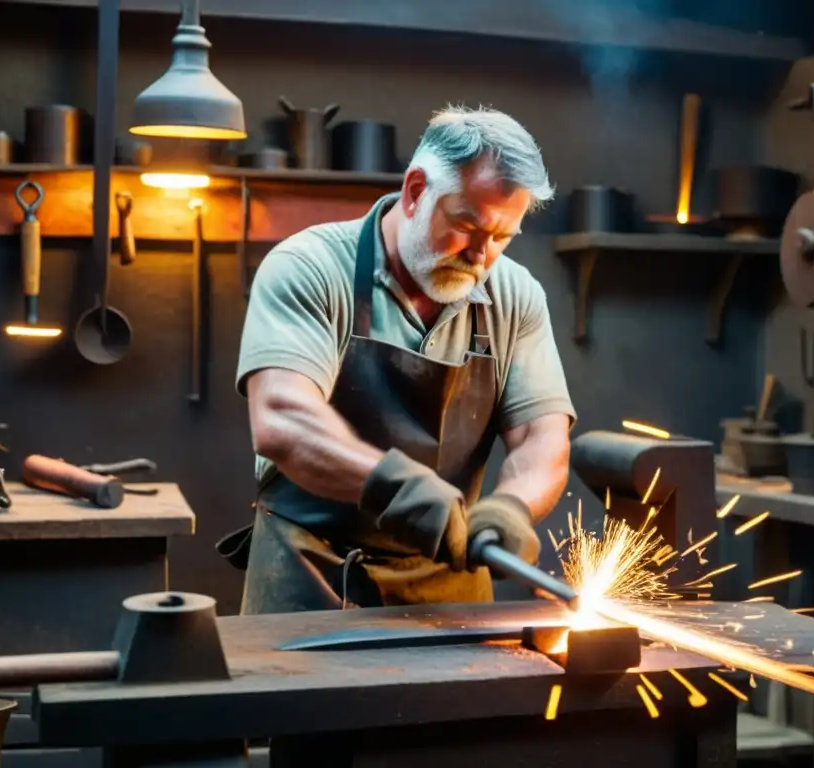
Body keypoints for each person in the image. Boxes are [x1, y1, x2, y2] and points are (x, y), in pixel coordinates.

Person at [218, 106, 577, 614]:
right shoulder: (311, 267)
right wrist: (398, 488)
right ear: (414, 191)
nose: (480, 254)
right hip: (311, 578)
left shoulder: (515, 296)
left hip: (448, 586)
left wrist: (513, 506)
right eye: (466, 225)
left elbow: (542, 438)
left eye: (501, 237)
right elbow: (282, 419)